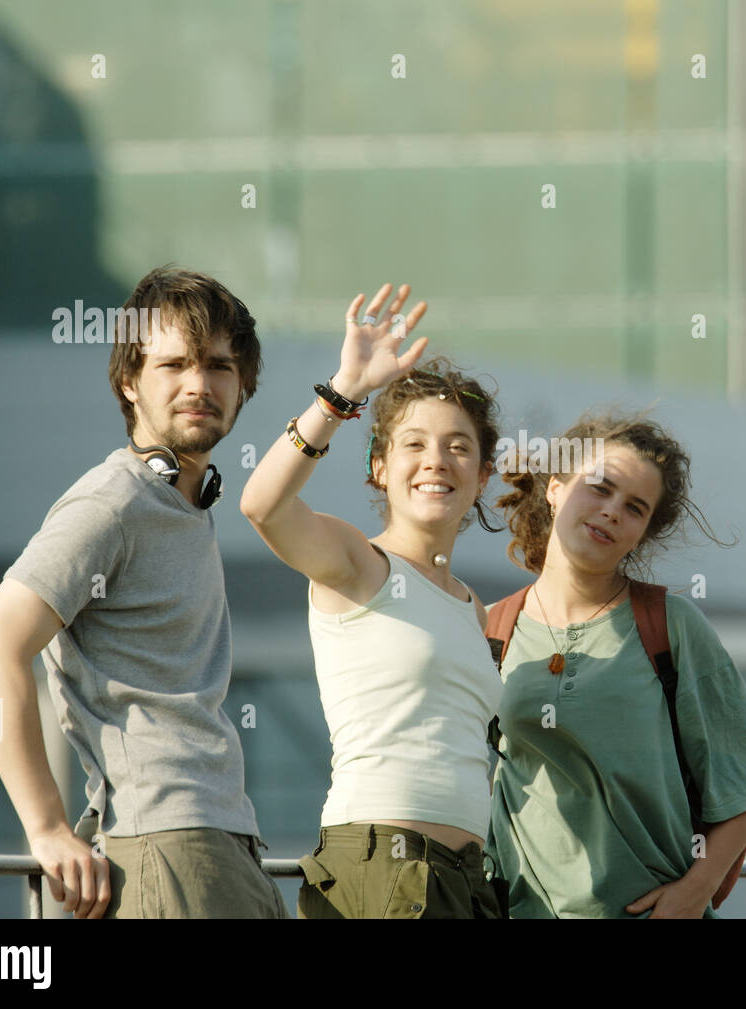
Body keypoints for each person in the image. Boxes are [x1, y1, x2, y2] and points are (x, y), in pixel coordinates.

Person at [0, 267, 286, 918]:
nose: (200, 383)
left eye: (220, 366)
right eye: (175, 364)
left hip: (224, 847)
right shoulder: (114, 501)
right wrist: (47, 827)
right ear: (129, 381)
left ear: (243, 386)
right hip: (169, 848)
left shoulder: (183, 504)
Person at [240, 283, 506, 919]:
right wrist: (344, 391)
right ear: (379, 467)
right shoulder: (358, 562)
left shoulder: (472, 606)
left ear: (483, 476)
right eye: (413, 444)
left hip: (468, 880)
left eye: (458, 446)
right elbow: (262, 506)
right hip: (383, 869)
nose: (436, 460)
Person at [487, 412, 746, 918]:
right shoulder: (492, 628)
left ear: (643, 531)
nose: (611, 512)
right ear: (555, 487)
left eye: (634, 508)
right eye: (599, 488)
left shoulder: (670, 625)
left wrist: (697, 889)